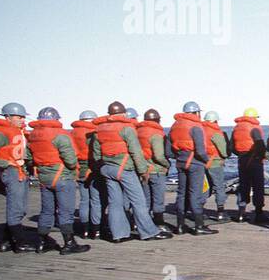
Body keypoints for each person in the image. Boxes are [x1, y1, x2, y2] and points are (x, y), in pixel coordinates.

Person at [91, 101, 172, 243]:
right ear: (123, 113)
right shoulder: (127, 128)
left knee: (115, 203)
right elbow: (136, 152)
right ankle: (148, 232)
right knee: (138, 201)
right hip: (124, 169)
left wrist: (102, 167)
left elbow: (96, 153)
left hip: (107, 168)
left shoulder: (100, 129)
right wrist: (142, 171)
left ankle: (119, 234)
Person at [26, 107, 90, 255]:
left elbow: (29, 158)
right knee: (65, 212)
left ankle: (42, 243)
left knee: (46, 211)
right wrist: (73, 167)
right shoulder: (61, 135)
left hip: (44, 178)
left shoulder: (33, 135)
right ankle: (69, 243)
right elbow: (71, 160)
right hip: (62, 177)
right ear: (56, 119)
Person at [0, 103, 31, 252]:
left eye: (23, 117)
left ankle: (6, 241)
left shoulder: (18, 132)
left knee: (21, 209)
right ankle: (19, 242)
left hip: (20, 171)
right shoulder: (0, 134)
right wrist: (6, 163)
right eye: (18, 117)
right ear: (7, 117)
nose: (22, 119)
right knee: (16, 209)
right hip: (12, 172)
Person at [168, 101, 217, 235]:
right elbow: (201, 151)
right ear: (196, 112)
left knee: (182, 194)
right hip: (195, 164)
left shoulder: (174, 126)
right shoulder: (196, 126)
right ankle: (199, 226)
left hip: (180, 163)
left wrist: (180, 155)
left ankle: (180, 226)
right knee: (195, 195)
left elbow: (168, 151)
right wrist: (207, 161)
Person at [69, 110, 102, 238]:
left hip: (78, 169)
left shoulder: (71, 133)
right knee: (95, 200)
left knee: (84, 200)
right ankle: (96, 229)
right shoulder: (93, 133)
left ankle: (85, 229)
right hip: (92, 168)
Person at [231, 107, 267, 224]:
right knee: (258, 187)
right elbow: (260, 144)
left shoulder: (236, 128)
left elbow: (232, 147)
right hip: (254, 160)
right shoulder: (254, 128)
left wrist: (241, 154)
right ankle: (259, 213)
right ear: (254, 117)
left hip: (242, 159)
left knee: (243, 186)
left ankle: (241, 213)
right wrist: (261, 156)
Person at [136, 109, 170, 228]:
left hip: (143, 170)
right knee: (158, 199)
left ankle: (143, 224)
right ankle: (159, 223)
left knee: (146, 199)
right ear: (158, 120)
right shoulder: (156, 133)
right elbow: (159, 155)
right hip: (156, 170)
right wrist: (167, 164)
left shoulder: (138, 131)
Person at [202, 111, 229, 221]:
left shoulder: (201, 130)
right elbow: (223, 151)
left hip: (203, 162)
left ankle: (199, 209)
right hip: (215, 162)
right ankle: (220, 211)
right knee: (219, 187)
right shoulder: (215, 132)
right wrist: (226, 155)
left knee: (205, 186)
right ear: (215, 120)